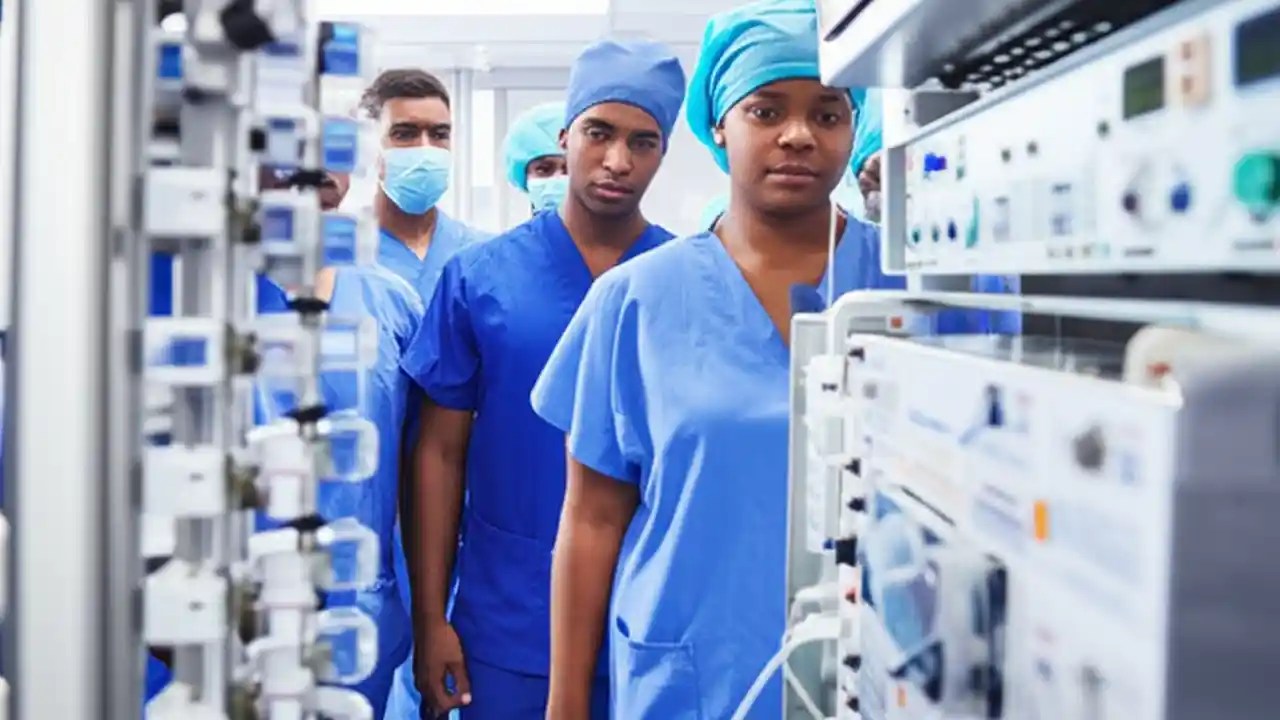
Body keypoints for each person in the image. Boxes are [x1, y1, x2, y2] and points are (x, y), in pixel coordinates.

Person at [529, 2, 922, 717]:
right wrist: (565, 704)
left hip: (881, 677)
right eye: (766, 111)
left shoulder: (907, 284)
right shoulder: (638, 300)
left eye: (827, 115)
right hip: (692, 671)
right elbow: (590, 519)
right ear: (720, 124)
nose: (798, 136)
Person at [397, 38, 687, 720]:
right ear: (566, 135)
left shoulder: (687, 280)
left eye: (643, 142)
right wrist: (431, 619)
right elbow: (439, 454)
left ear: (664, 154)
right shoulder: (481, 277)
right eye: (598, 133)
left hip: (650, 619)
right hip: (507, 620)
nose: (618, 160)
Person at [501, 101, 569, 214]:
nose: (559, 178)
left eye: (570, 169)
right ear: (524, 177)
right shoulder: (521, 232)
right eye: (544, 169)